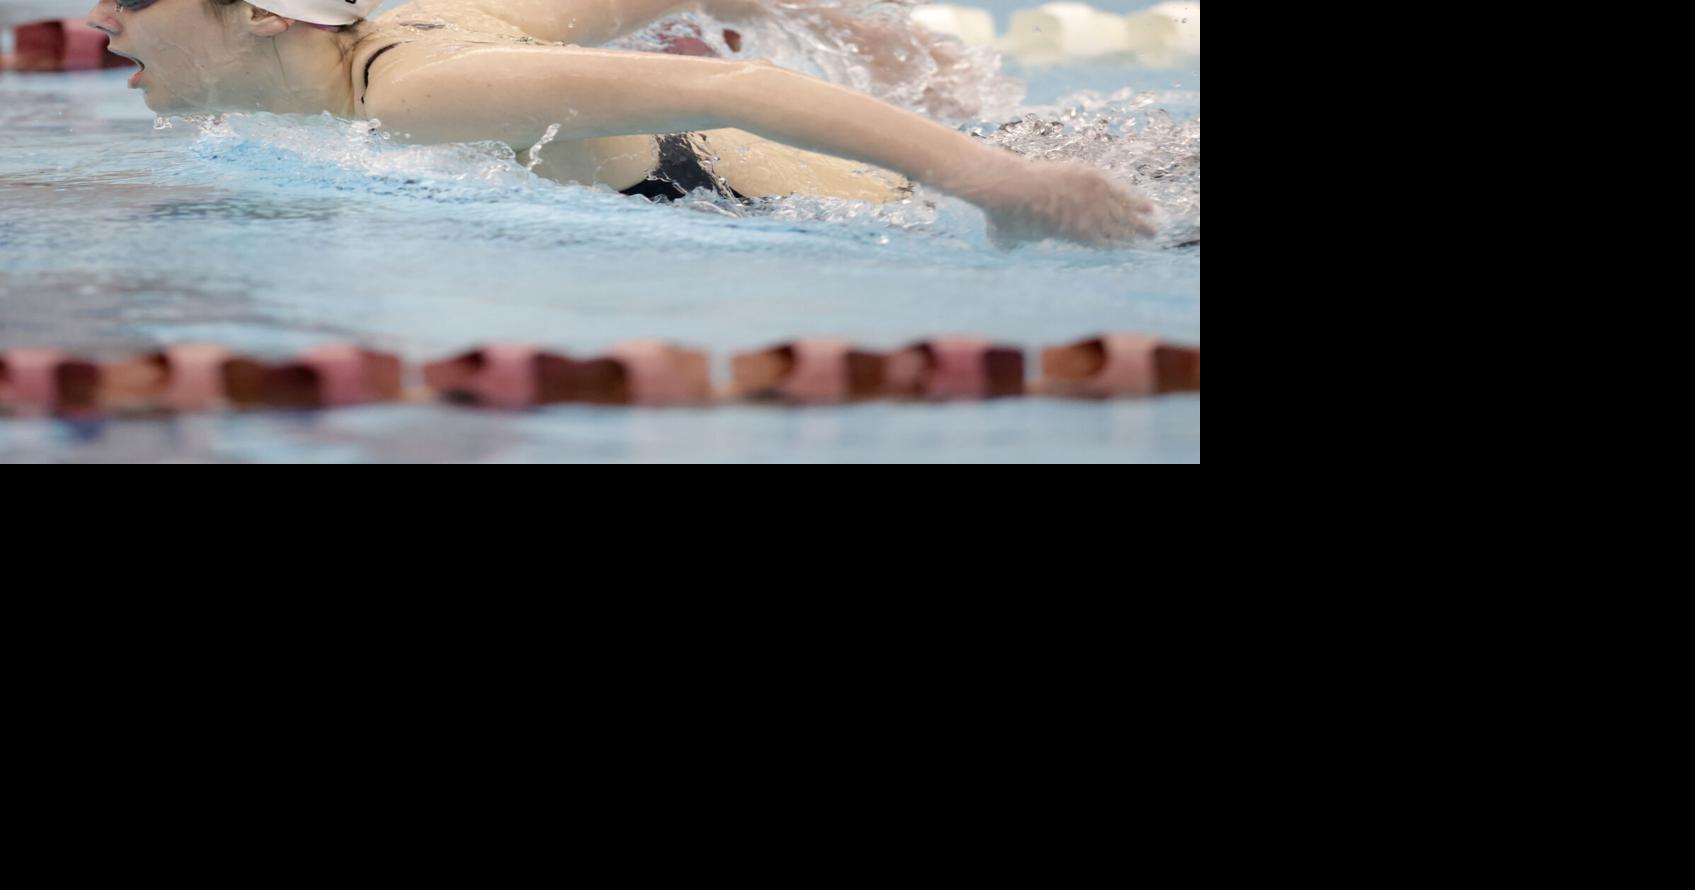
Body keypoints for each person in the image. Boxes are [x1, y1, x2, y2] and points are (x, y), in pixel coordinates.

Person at [85, 0, 1157, 246]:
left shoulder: (413, 94)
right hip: (1061, 160)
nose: (98, 19)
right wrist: (926, 74)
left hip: (928, 211)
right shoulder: (432, 19)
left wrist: (1001, 182)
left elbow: (733, 93)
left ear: (266, 15)